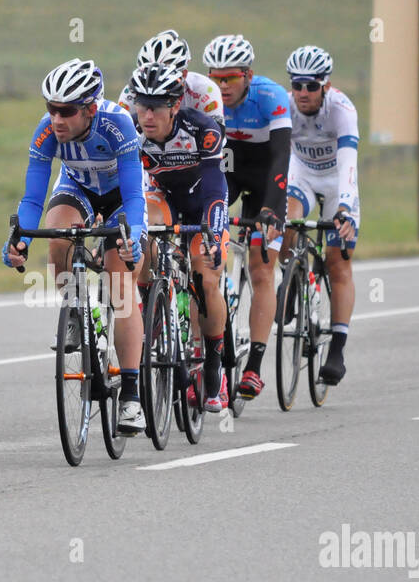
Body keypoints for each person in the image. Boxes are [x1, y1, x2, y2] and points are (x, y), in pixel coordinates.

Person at [3, 58, 149, 431]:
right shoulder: (46, 132)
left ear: (90, 109)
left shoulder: (118, 125)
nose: (57, 119)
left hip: (120, 197)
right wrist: (19, 241)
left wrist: (131, 236)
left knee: (121, 285)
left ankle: (131, 396)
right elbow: (34, 198)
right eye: (51, 109)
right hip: (78, 188)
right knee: (56, 237)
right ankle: (75, 311)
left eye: (66, 111)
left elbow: (134, 195)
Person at [129, 62, 231, 412]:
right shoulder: (130, 130)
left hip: (202, 200)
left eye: (156, 107)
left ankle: (215, 361)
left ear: (175, 105)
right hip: (162, 198)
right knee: (143, 235)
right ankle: (153, 311)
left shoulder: (201, 129)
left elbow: (216, 186)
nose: (147, 115)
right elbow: (127, 190)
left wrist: (215, 234)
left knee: (204, 274)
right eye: (141, 105)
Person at [201, 33, 291, 401]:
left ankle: (253, 366)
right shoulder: (206, 98)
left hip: (270, 175)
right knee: (209, 252)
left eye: (231, 78)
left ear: (248, 75)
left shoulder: (271, 97)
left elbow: (282, 158)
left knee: (260, 266)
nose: (222, 86)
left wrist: (272, 209)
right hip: (231, 171)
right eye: (216, 77)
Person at [281, 45, 360, 385]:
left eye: (311, 86)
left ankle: (338, 349)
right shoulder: (285, 107)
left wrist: (345, 207)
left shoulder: (341, 110)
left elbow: (348, 165)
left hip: (336, 179)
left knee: (337, 261)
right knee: (286, 222)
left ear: (325, 86)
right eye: (297, 85)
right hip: (302, 172)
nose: (303, 93)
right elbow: (277, 158)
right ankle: (292, 277)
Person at [116, 30, 225, 126]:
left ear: (184, 74)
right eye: (149, 74)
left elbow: (218, 139)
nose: (156, 82)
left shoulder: (204, 90)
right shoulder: (129, 94)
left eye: (166, 76)